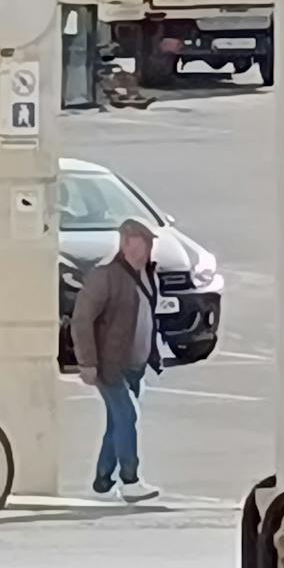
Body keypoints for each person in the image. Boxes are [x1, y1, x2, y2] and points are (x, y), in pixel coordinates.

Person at [68, 191, 166, 494]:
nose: (143, 248)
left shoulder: (149, 274)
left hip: (134, 364)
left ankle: (102, 478)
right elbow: (81, 320)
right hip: (110, 365)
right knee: (128, 416)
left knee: (117, 421)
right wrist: (88, 363)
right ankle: (130, 480)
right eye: (137, 241)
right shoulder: (105, 277)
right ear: (124, 243)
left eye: (147, 243)